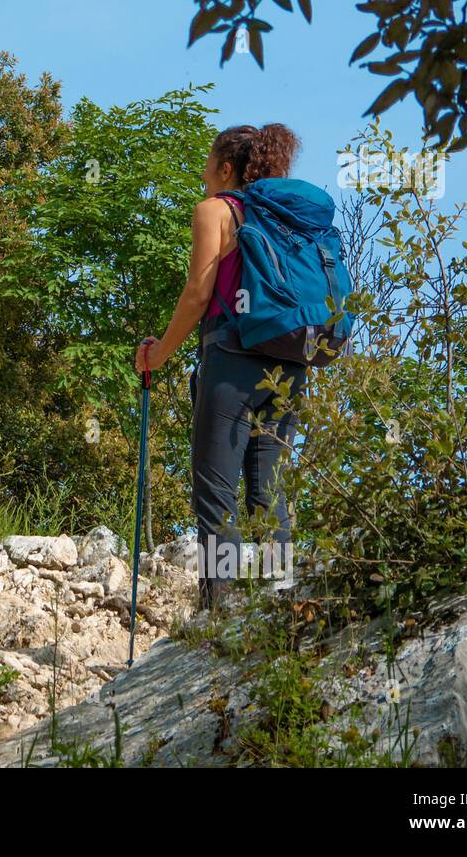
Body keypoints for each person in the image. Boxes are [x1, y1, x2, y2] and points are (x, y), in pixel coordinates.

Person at [133, 124, 308, 610]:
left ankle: (219, 616)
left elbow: (198, 294)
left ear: (226, 168)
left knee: (215, 490)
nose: (204, 173)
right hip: (290, 365)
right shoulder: (283, 219)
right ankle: (283, 606)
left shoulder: (217, 211)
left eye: (208, 164)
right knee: (270, 491)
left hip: (232, 361)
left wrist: (159, 352)